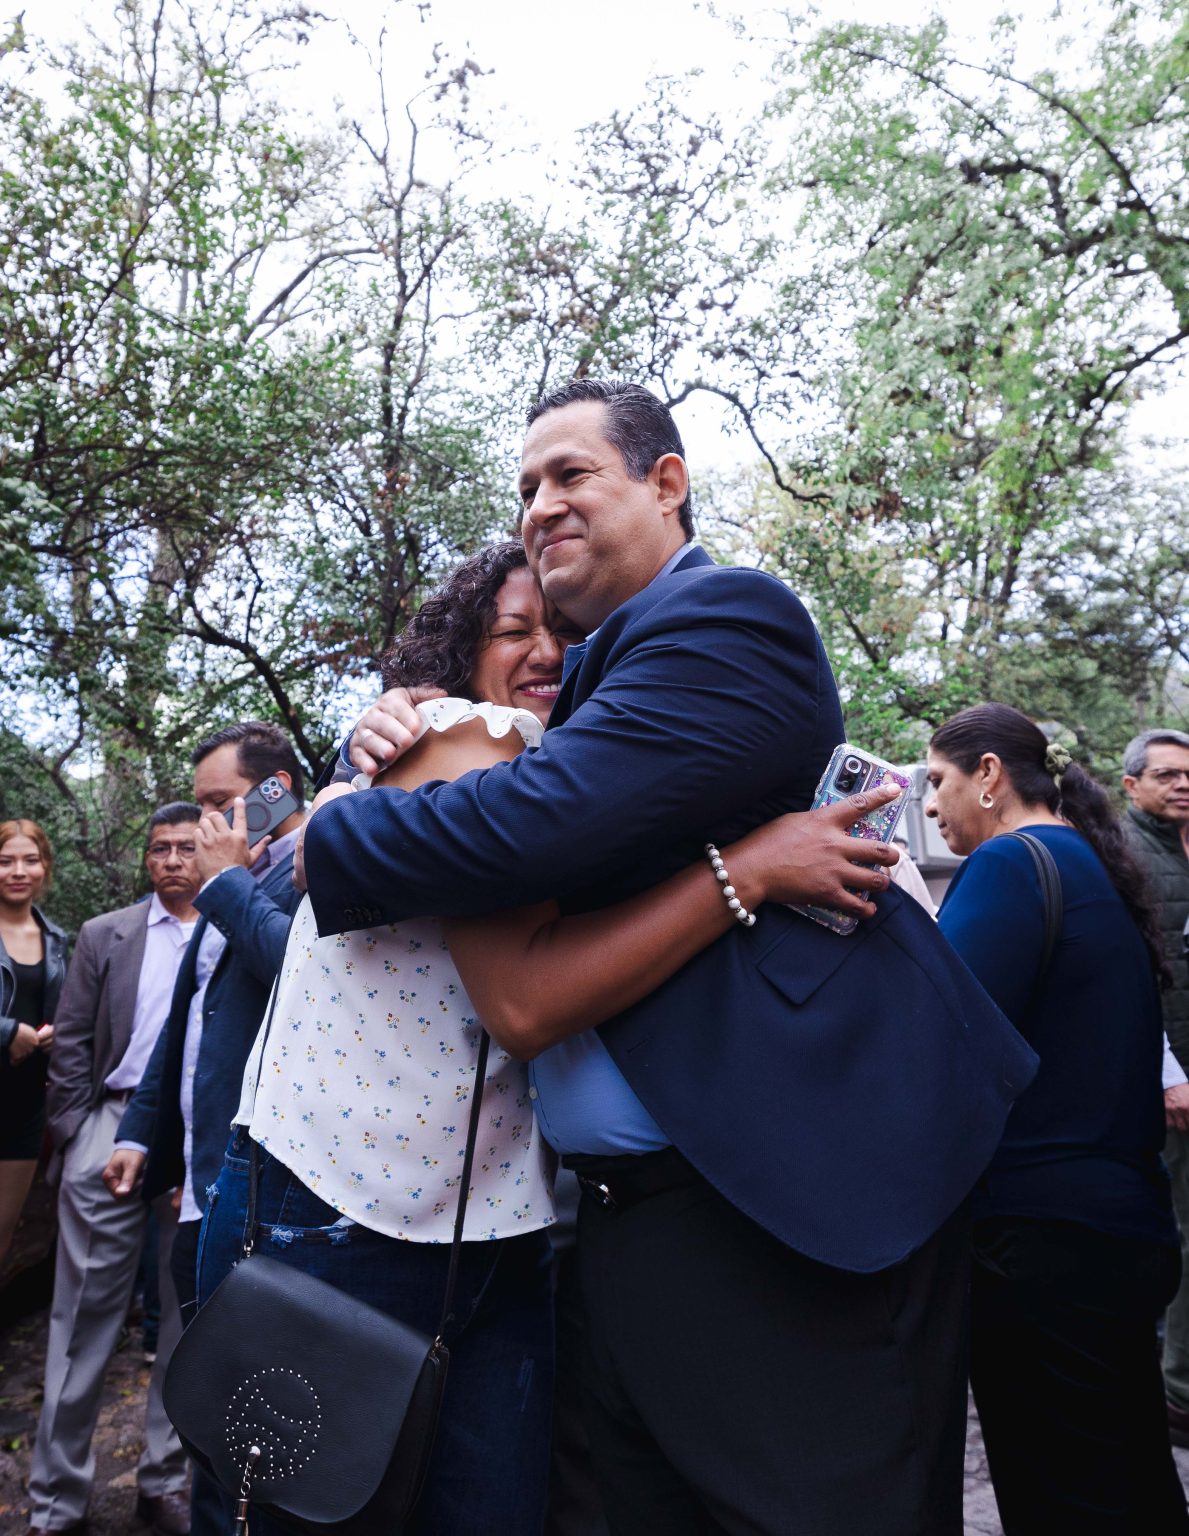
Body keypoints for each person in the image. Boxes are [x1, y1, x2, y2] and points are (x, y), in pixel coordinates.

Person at [303, 380, 1035, 1536]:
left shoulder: (727, 620)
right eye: (525, 487)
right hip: (633, 1228)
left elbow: (536, 823)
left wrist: (330, 824)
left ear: (666, 483)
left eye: (571, 474)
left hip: (787, 1208)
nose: (540, 506)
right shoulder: (594, 683)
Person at [923, 704, 1187, 1534]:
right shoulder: (1093, 864)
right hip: (1120, 1225)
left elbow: (934, 1031)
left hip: (1039, 1242)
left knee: (1066, 1497)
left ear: (990, 775)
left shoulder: (1008, 864)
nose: (930, 806)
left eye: (938, 781)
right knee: (1128, 1480)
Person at [104, 722, 306, 1536]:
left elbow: (300, 979)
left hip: (262, 1193)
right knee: (203, 1387)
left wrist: (228, 886)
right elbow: (180, 1036)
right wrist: (136, 1132)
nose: (210, 824)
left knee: (249, 1404)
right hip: (200, 1185)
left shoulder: (305, 873)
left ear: (277, 789)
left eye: (224, 804)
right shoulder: (235, 883)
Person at [26, 803, 202, 1536]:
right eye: (157, 848)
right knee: (81, 1322)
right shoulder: (107, 935)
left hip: (201, 1137)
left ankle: (164, 1480)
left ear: (209, 851)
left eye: (183, 848)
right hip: (109, 1123)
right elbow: (69, 1043)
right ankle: (56, 1499)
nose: (168, 860)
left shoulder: (234, 930)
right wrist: (72, 1134)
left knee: (185, 1322)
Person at [1119, 728, 1189, 1443]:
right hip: (1166, 1086)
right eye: (1165, 774)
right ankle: (1175, 1393)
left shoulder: (1177, 848)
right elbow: (1133, 982)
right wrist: (1168, 1073)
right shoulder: (1127, 856)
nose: (1181, 785)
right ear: (1130, 784)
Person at [0, 819, 66, 1268]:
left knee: (3, 1233)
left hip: (25, 1104)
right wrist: (8, 1032)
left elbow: (65, 1010)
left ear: (45, 868)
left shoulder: (57, 939)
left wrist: (56, 1032)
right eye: (5, 861)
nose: (17, 871)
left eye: (30, 860)